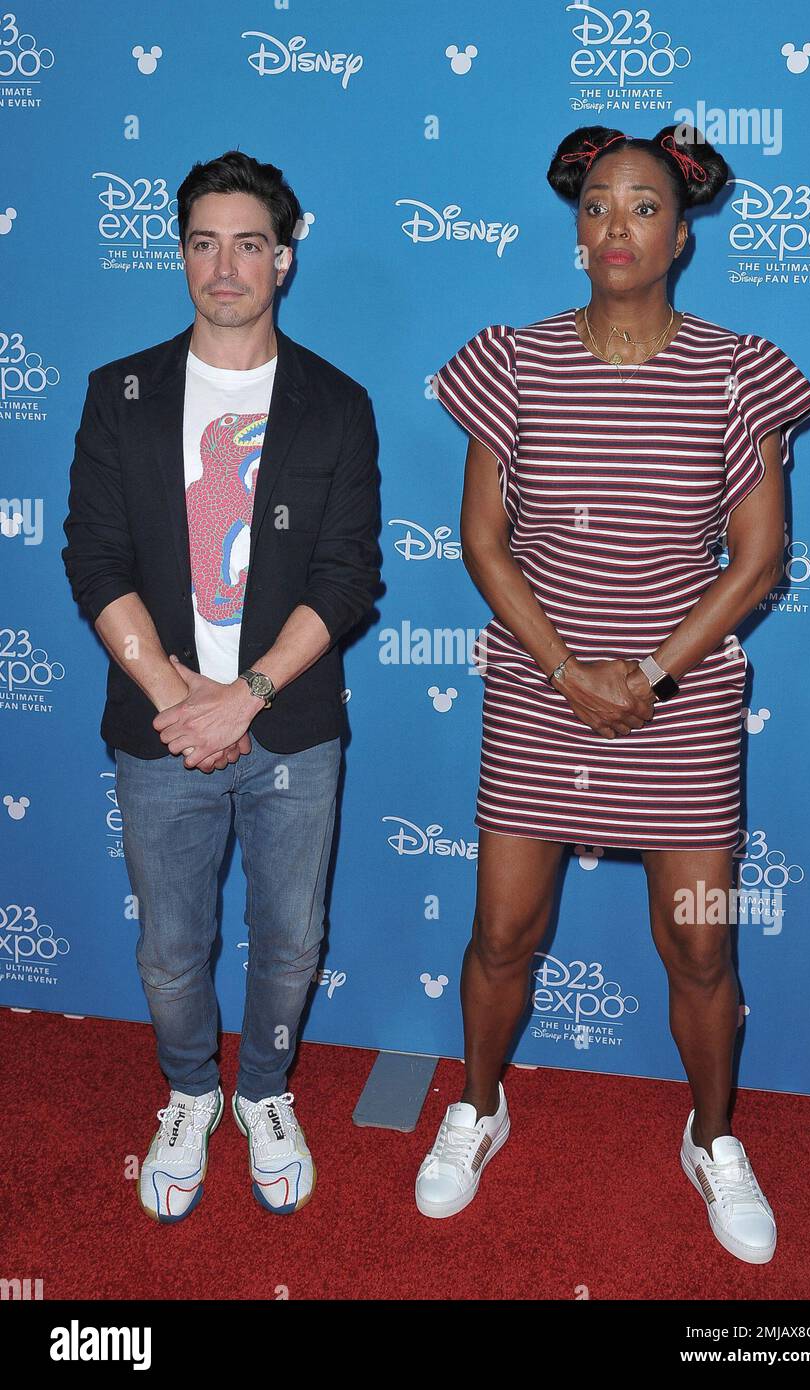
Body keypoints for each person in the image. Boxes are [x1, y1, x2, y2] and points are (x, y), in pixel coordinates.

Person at [415, 124, 810, 1265]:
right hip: (541, 685)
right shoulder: (511, 360)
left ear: (682, 236)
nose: (614, 228)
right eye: (595, 206)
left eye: (641, 207)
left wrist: (646, 674)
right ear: (575, 230)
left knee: (699, 947)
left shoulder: (741, 372)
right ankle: (478, 1106)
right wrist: (566, 671)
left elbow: (757, 559)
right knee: (502, 930)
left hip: (680, 699)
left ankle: (711, 1136)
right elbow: (482, 542)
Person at [61, 149, 381, 1223]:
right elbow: (94, 561)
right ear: (182, 255)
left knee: (292, 937)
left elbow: (346, 577)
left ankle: (264, 1091)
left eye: (250, 243)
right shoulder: (124, 394)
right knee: (170, 944)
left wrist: (239, 694)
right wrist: (176, 699)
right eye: (204, 242)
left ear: (283, 260)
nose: (226, 265)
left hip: (290, 722)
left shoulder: (336, 403)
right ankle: (191, 1091)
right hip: (158, 729)